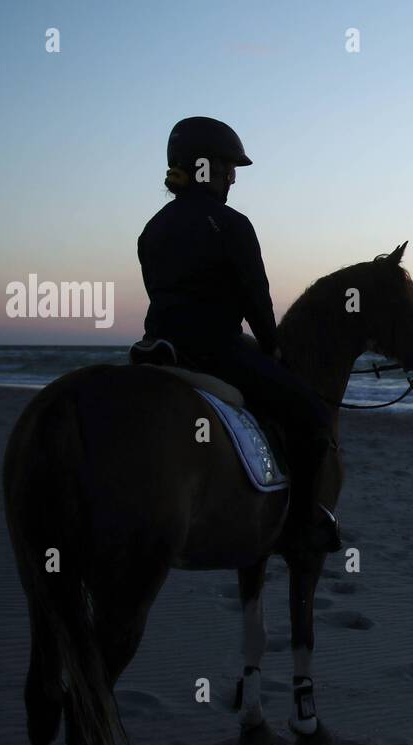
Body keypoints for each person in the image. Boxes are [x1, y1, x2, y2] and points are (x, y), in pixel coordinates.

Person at [136, 116, 340, 554]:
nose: (232, 179)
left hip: (158, 347)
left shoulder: (151, 229)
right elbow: (256, 302)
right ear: (207, 168)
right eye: (230, 169)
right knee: (313, 417)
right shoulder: (231, 223)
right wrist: (273, 347)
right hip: (215, 350)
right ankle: (301, 525)